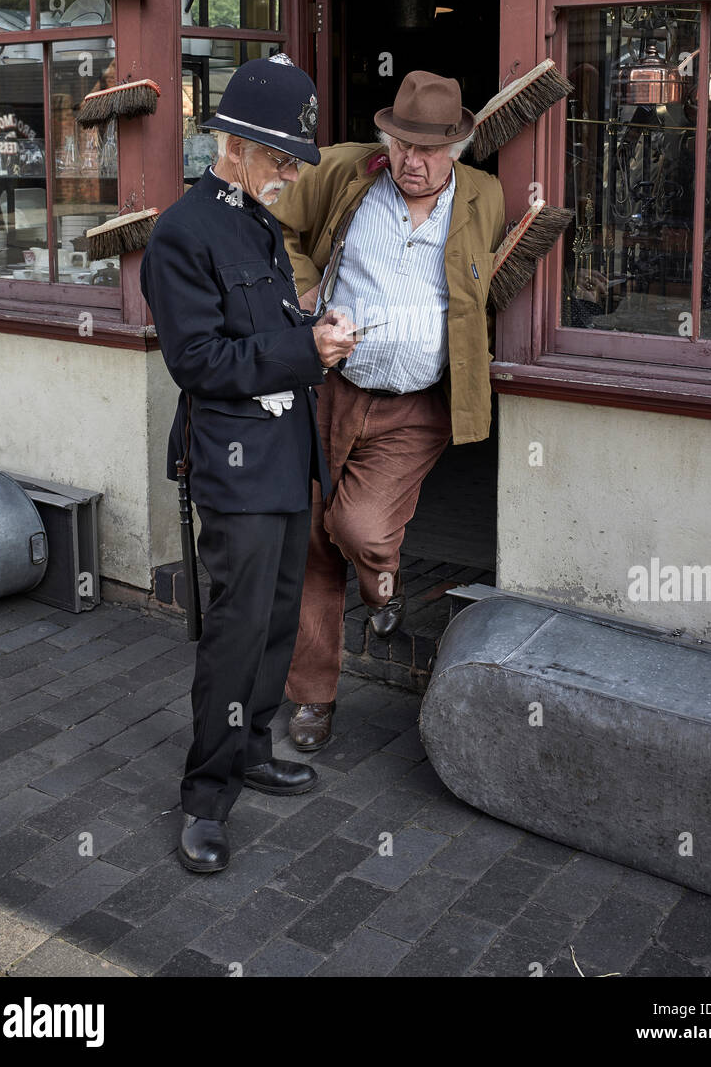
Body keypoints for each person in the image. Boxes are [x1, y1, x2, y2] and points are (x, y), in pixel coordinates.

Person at [139, 55, 356, 873]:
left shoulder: (257, 221)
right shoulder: (182, 232)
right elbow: (198, 360)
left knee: (276, 622)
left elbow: (253, 327)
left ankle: (251, 745)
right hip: (232, 467)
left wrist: (307, 324)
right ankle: (206, 797)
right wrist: (305, 348)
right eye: (279, 159)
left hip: (282, 453)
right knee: (234, 635)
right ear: (231, 145)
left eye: (295, 161)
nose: (290, 175)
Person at [271, 70, 505, 753]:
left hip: (415, 406)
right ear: (387, 139)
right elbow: (276, 225)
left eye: (428, 149)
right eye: (402, 144)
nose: (412, 160)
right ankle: (312, 699)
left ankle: (383, 588)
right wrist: (308, 289)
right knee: (312, 537)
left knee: (360, 526)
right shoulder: (347, 172)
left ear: (455, 149)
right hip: (331, 390)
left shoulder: (484, 198)